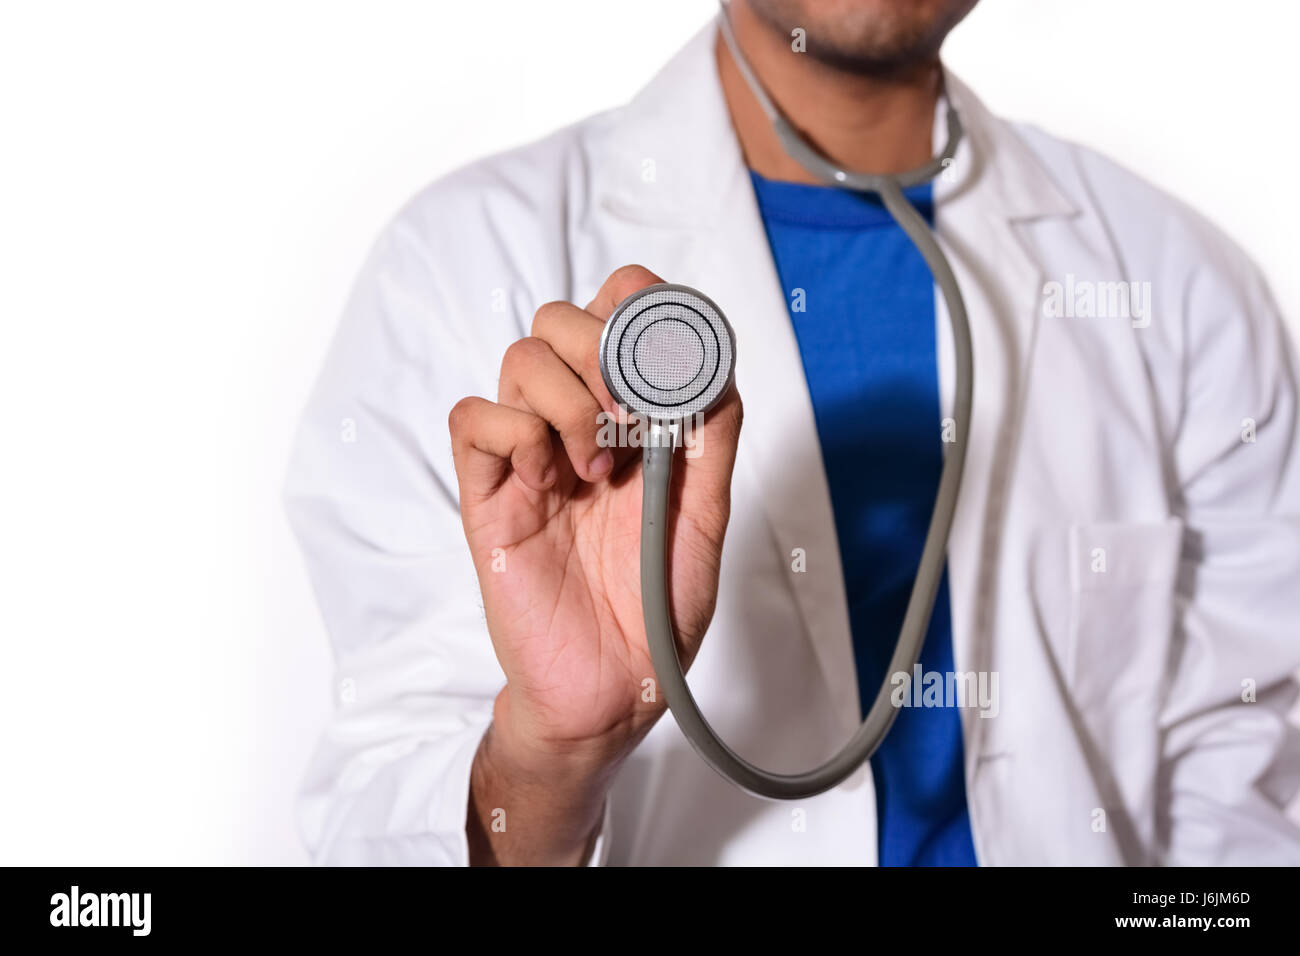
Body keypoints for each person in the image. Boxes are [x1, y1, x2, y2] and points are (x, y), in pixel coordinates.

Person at [284, 0, 1300, 865]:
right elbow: (378, 817)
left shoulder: (1182, 287)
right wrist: (553, 752)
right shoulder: (458, 265)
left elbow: (1237, 782)